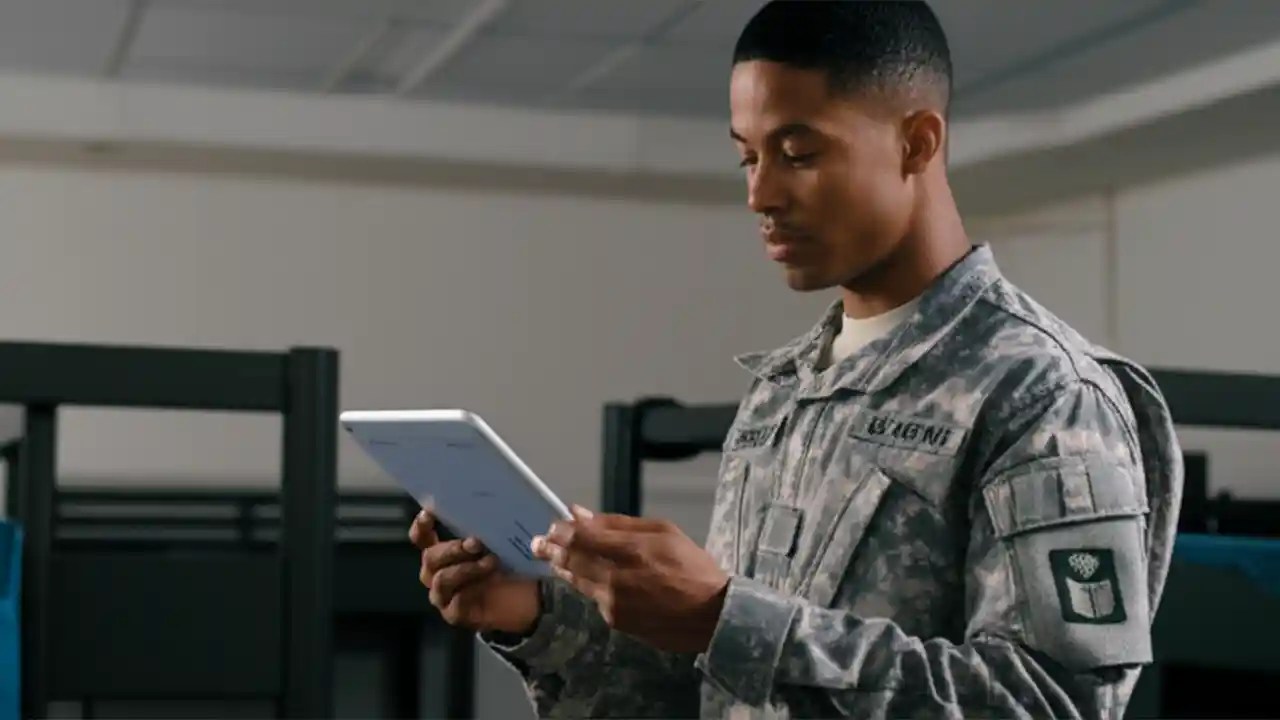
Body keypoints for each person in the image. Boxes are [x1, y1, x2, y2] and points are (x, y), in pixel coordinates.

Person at [408, 1, 1184, 717]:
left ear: (918, 142)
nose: (761, 194)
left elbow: (1052, 706)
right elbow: (716, 694)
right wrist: (540, 618)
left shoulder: (1042, 392)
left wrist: (723, 615)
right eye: (749, 158)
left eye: (798, 153)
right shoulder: (784, 394)